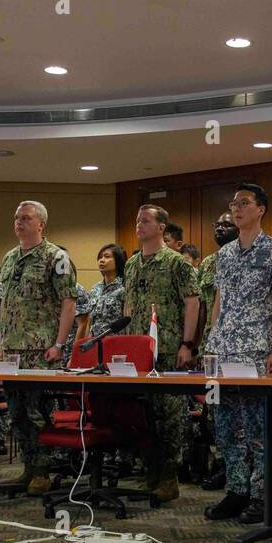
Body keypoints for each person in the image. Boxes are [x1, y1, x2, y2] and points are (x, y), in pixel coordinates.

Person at [203, 184, 272, 522]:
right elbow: (219, 301)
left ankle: (260, 495)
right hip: (223, 350)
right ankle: (236, 490)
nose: (237, 209)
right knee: (225, 426)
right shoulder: (224, 255)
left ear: (261, 209)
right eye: (234, 203)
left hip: (255, 350)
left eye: (244, 203)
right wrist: (212, 342)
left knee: (256, 428)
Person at [0, 201, 77, 496]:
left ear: (41, 224)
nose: (19, 222)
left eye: (26, 218)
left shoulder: (56, 257)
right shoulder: (9, 258)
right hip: (12, 351)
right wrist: (3, 342)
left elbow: (68, 302)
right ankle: (29, 467)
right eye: (16, 217)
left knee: (37, 411)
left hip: (41, 350)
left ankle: (43, 470)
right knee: (16, 413)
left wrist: (59, 344)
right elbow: (6, 303)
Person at [123, 204, 200, 503]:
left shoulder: (176, 263)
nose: (139, 225)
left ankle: (169, 476)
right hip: (139, 351)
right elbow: (128, 306)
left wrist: (187, 343)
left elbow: (192, 303)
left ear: (161, 227)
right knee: (143, 414)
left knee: (169, 414)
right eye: (137, 220)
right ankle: (151, 471)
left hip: (168, 348)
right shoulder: (132, 264)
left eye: (145, 221)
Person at [197, 213, 238, 353]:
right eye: (217, 225)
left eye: (226, 225)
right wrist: (194, 345)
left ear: (239, 230)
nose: (220, 229)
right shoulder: (207, 263)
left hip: (238, 339)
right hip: (209, 339)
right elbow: (201, 306)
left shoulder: (247, 260)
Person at [87, 243, 127, 340]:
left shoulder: (124, 288)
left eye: (107, 256)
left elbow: (128, 321)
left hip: (115, 342)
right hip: (94, 342)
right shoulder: (95, 289)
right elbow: (90, 322)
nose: (101, 260)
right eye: (100, 257)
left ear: (118, 260)